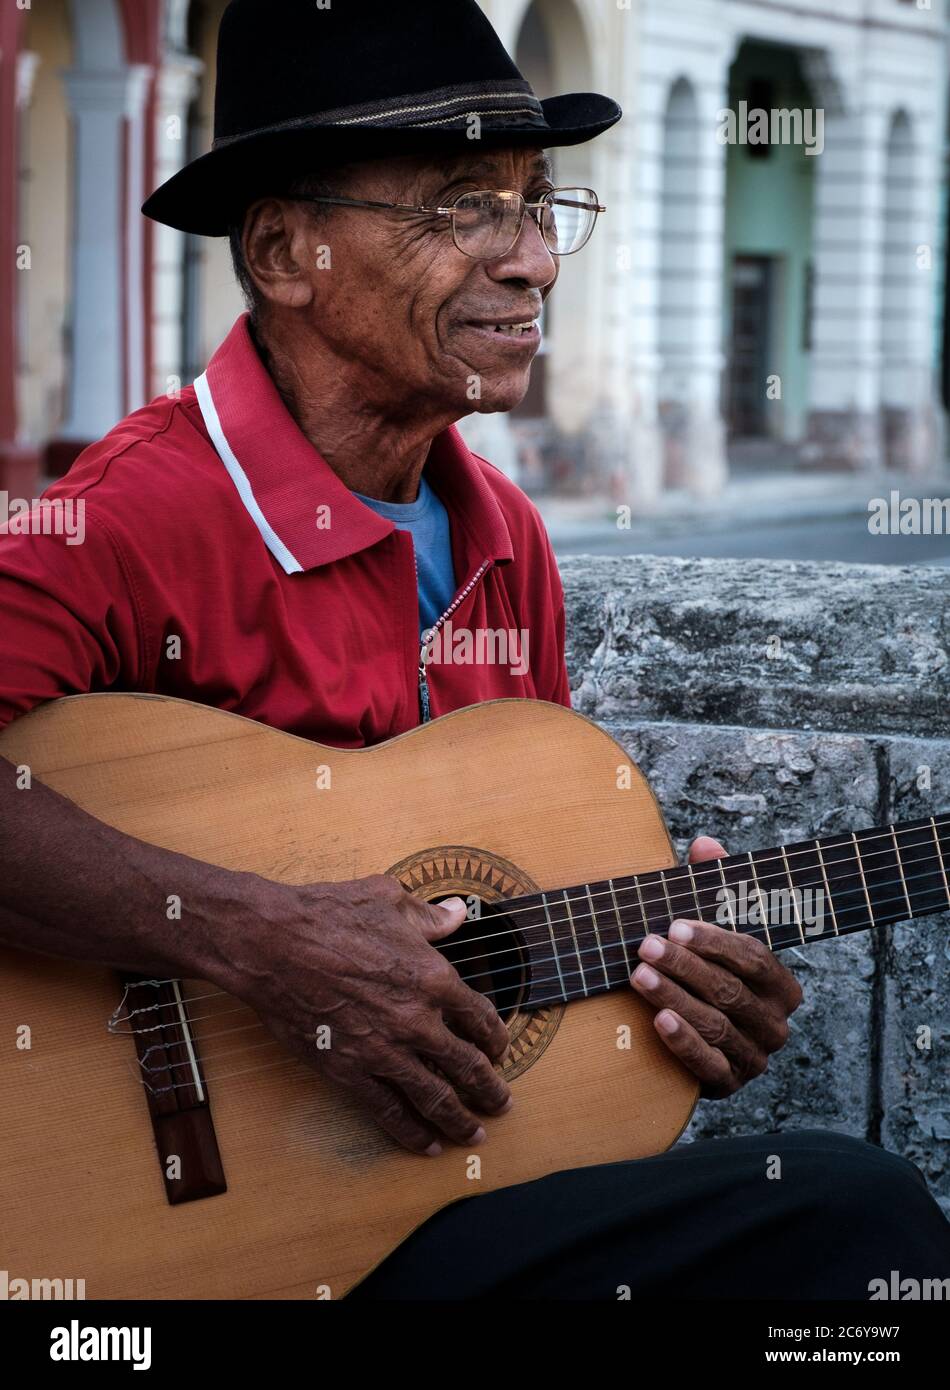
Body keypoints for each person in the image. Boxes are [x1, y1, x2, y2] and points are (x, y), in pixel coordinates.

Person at [1, 0, 946, 1300]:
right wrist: (256, 940)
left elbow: (499, 906)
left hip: (412, 1221)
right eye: (460, 206)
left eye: (538, 203)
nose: (533, 260)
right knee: (860, 1212)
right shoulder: (126, 518)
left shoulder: (501, 532)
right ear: (285, 251)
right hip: (150, 1272)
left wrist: (684, 996)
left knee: (846, 1240)